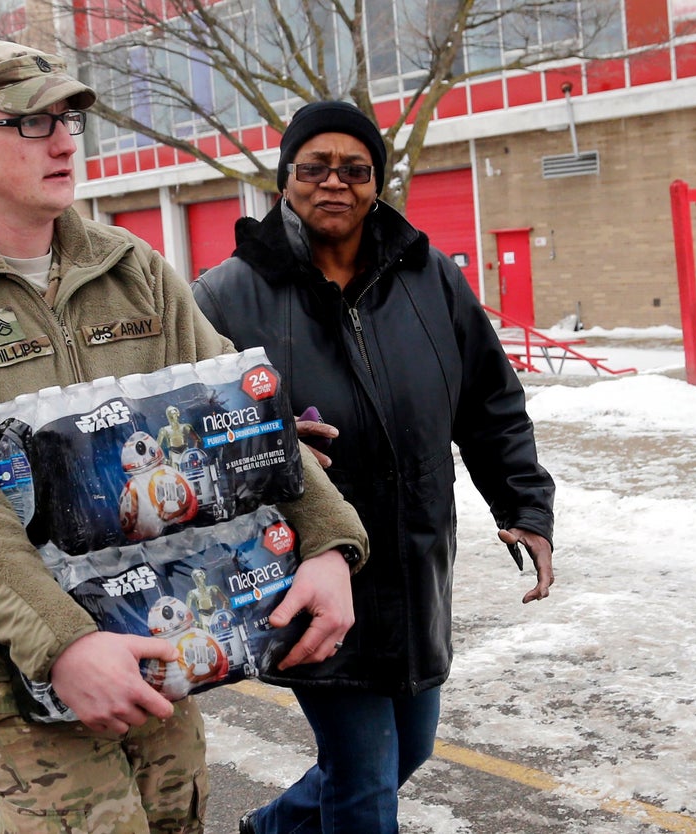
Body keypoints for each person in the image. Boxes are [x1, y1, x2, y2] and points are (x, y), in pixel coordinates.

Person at [0, 44, 368, 834]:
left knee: (175, 820)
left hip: (161, 622)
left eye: (66, 119)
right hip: (25, 657)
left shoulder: (133, 268)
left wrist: (327, 542)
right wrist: (62, 643)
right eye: (29, 123)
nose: (63, 141)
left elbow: (239, 412)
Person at [192, 100, 556, 834]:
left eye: (355, 169)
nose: (335, 183)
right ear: (284, 179)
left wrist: (525, 507)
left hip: (416, 562)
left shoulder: (430, 279)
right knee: (364, 785)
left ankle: (273, 829)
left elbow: (489, 401)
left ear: (377, 183)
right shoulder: (223, 296)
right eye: (314, 167)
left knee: (404, 752)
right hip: (305, 573)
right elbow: (189, 440)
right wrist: (261, 444)